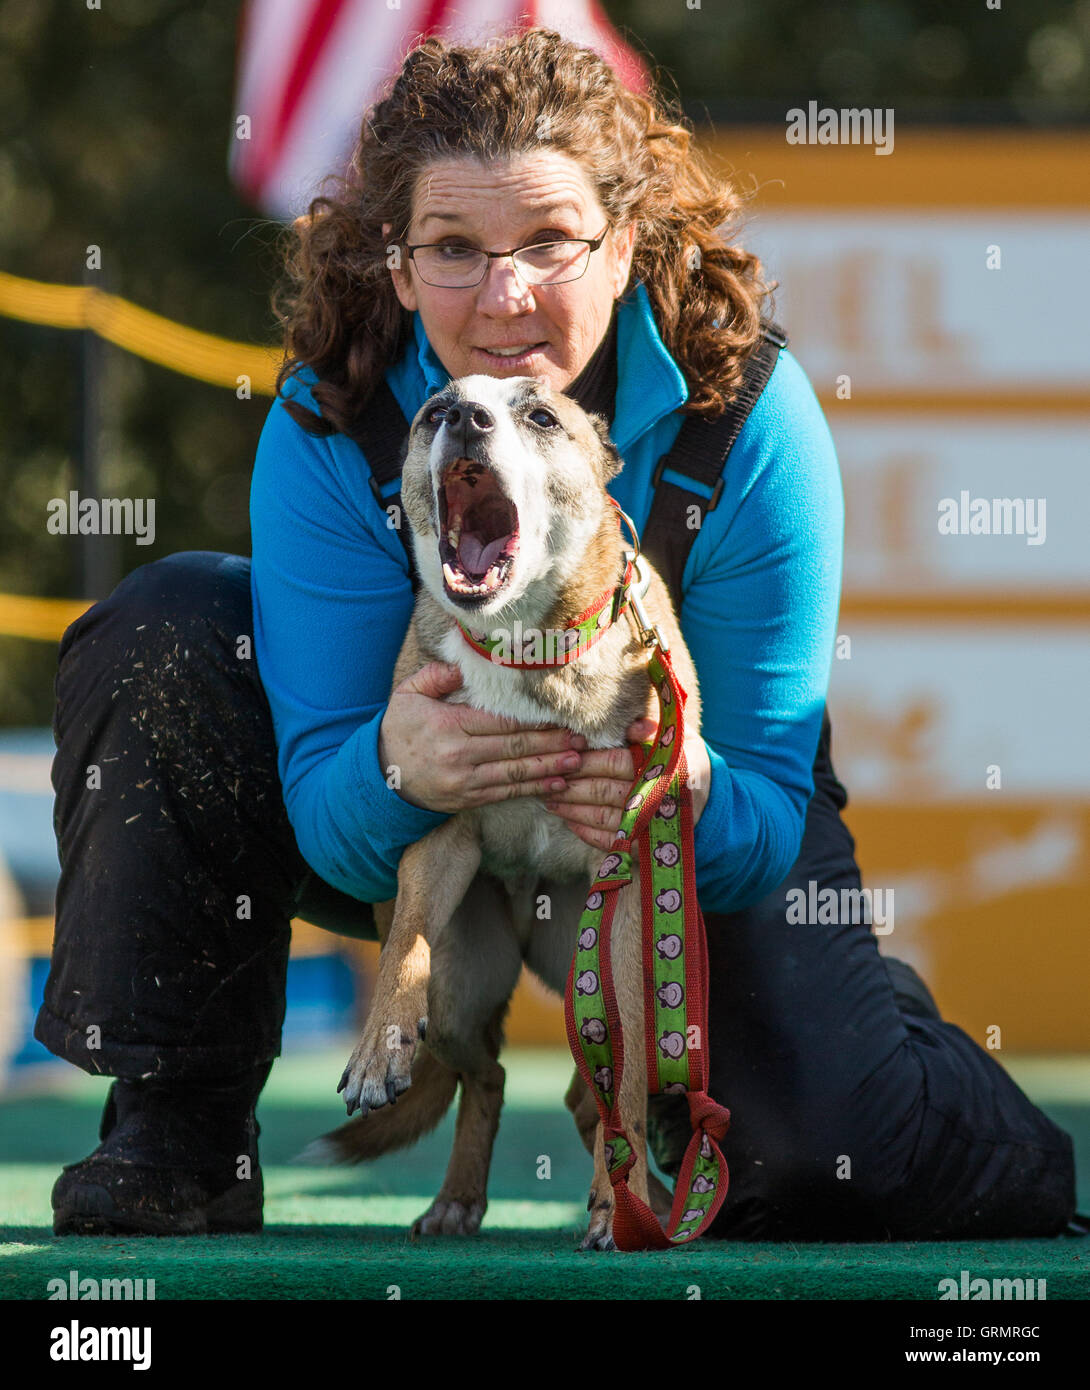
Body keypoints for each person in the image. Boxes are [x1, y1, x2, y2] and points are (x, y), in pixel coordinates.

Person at [39, 27, 1077, 1241]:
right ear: (399, 257)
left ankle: (916, 1072)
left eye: (547, 242)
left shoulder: (744, 418)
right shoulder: (331, 417)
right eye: (454, 250)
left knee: (818, 1159)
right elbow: (322, 796)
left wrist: (678, 786)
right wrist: (395, 772)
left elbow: (765, 809)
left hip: (693, 824)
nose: (503, 296)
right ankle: (179, 1133)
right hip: (425, 838)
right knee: (167, 627)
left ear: (623, 242)